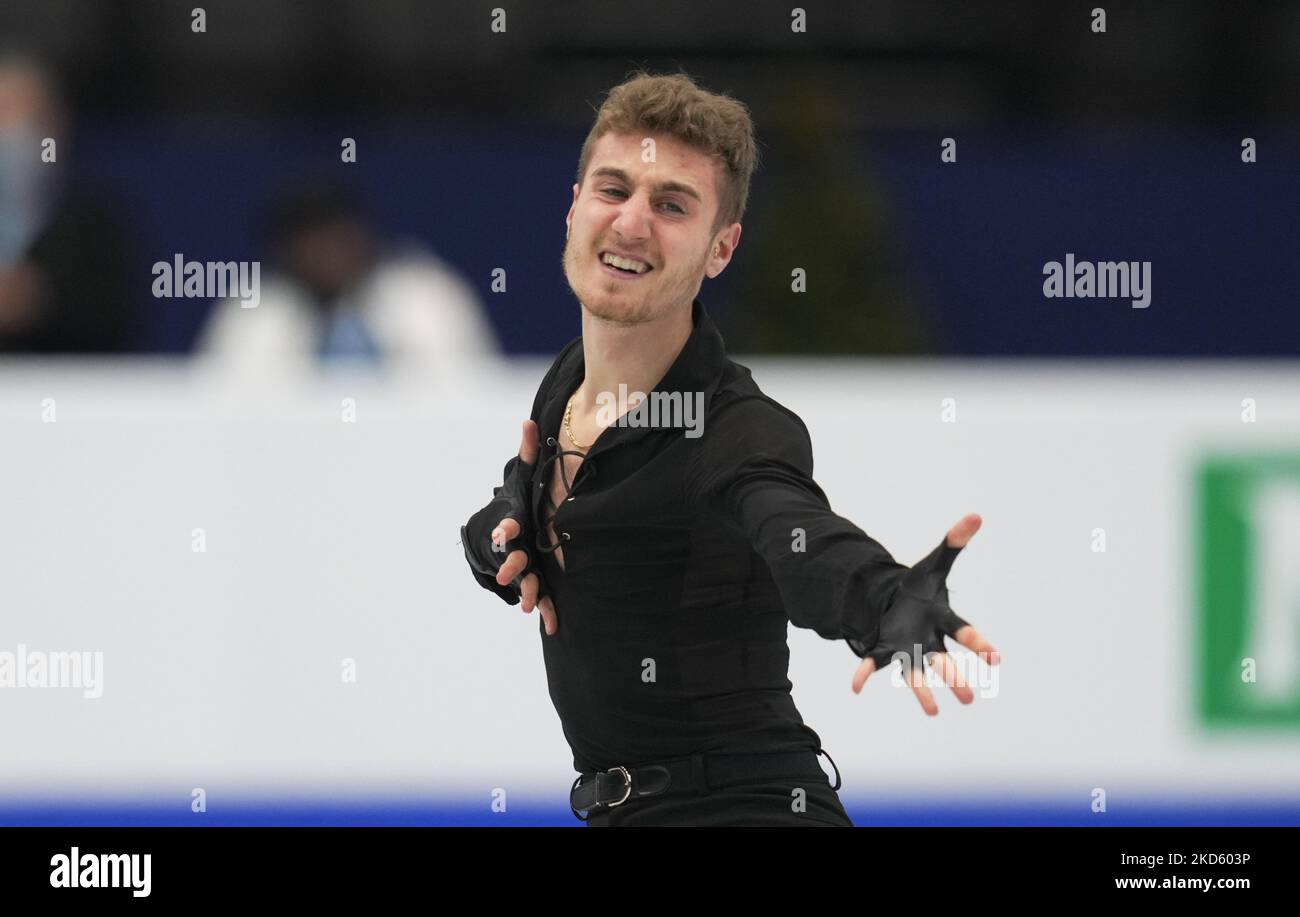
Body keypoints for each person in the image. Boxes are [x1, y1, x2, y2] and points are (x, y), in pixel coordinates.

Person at [459, 71, 1001, 827]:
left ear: (721, 249)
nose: (632, 222)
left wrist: (881, 600)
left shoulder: (736, 429)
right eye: (613, 189)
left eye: (672, 205)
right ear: (574, 204)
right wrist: (503, 529)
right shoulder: (568, 384)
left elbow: (797, 536)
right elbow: (544, 496)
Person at [196, 179, 499, 375]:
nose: (328, 250)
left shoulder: (425, 293)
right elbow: (217, 407)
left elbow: (474, 388)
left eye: (339, 234)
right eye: (311, 238)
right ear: (286, 250)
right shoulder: (254, 313)